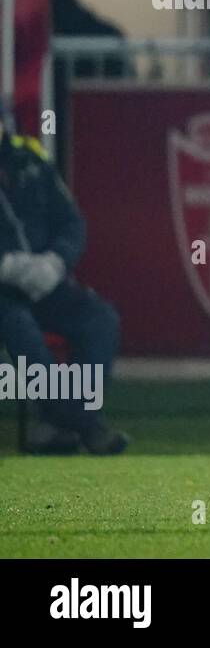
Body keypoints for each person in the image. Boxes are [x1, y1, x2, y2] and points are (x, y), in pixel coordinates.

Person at [0, 117, 126, 454]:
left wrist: (55, 261)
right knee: (19, 325)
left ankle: (58, 425)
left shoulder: (31, 160)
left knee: (100, 318)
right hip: (2, 289)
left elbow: (71, 222)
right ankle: (85, 424)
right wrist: (7, 266)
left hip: (47, 279)